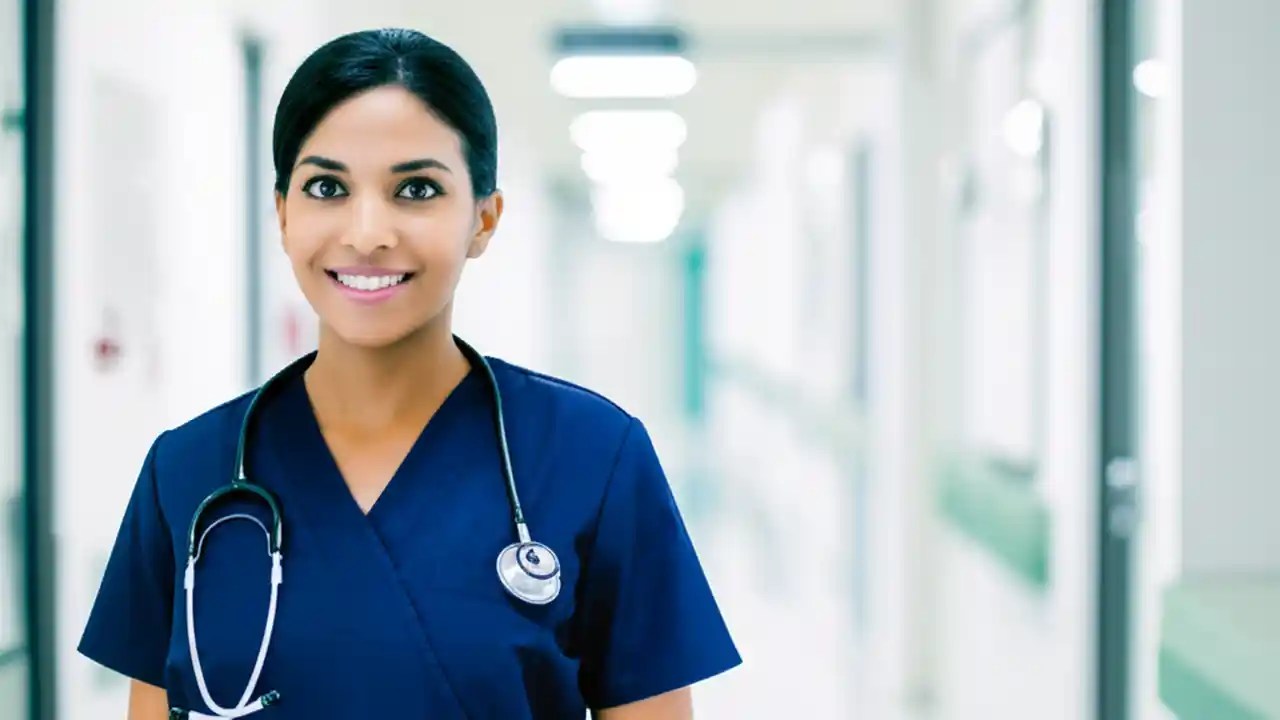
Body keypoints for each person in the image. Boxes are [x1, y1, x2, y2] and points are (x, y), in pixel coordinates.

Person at [78, 27, 740, 720]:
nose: (367, 232)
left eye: (417, 189)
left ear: (484, 219)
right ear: (282, 214)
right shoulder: (184, 474)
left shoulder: (594, 459)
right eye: (326, 186)